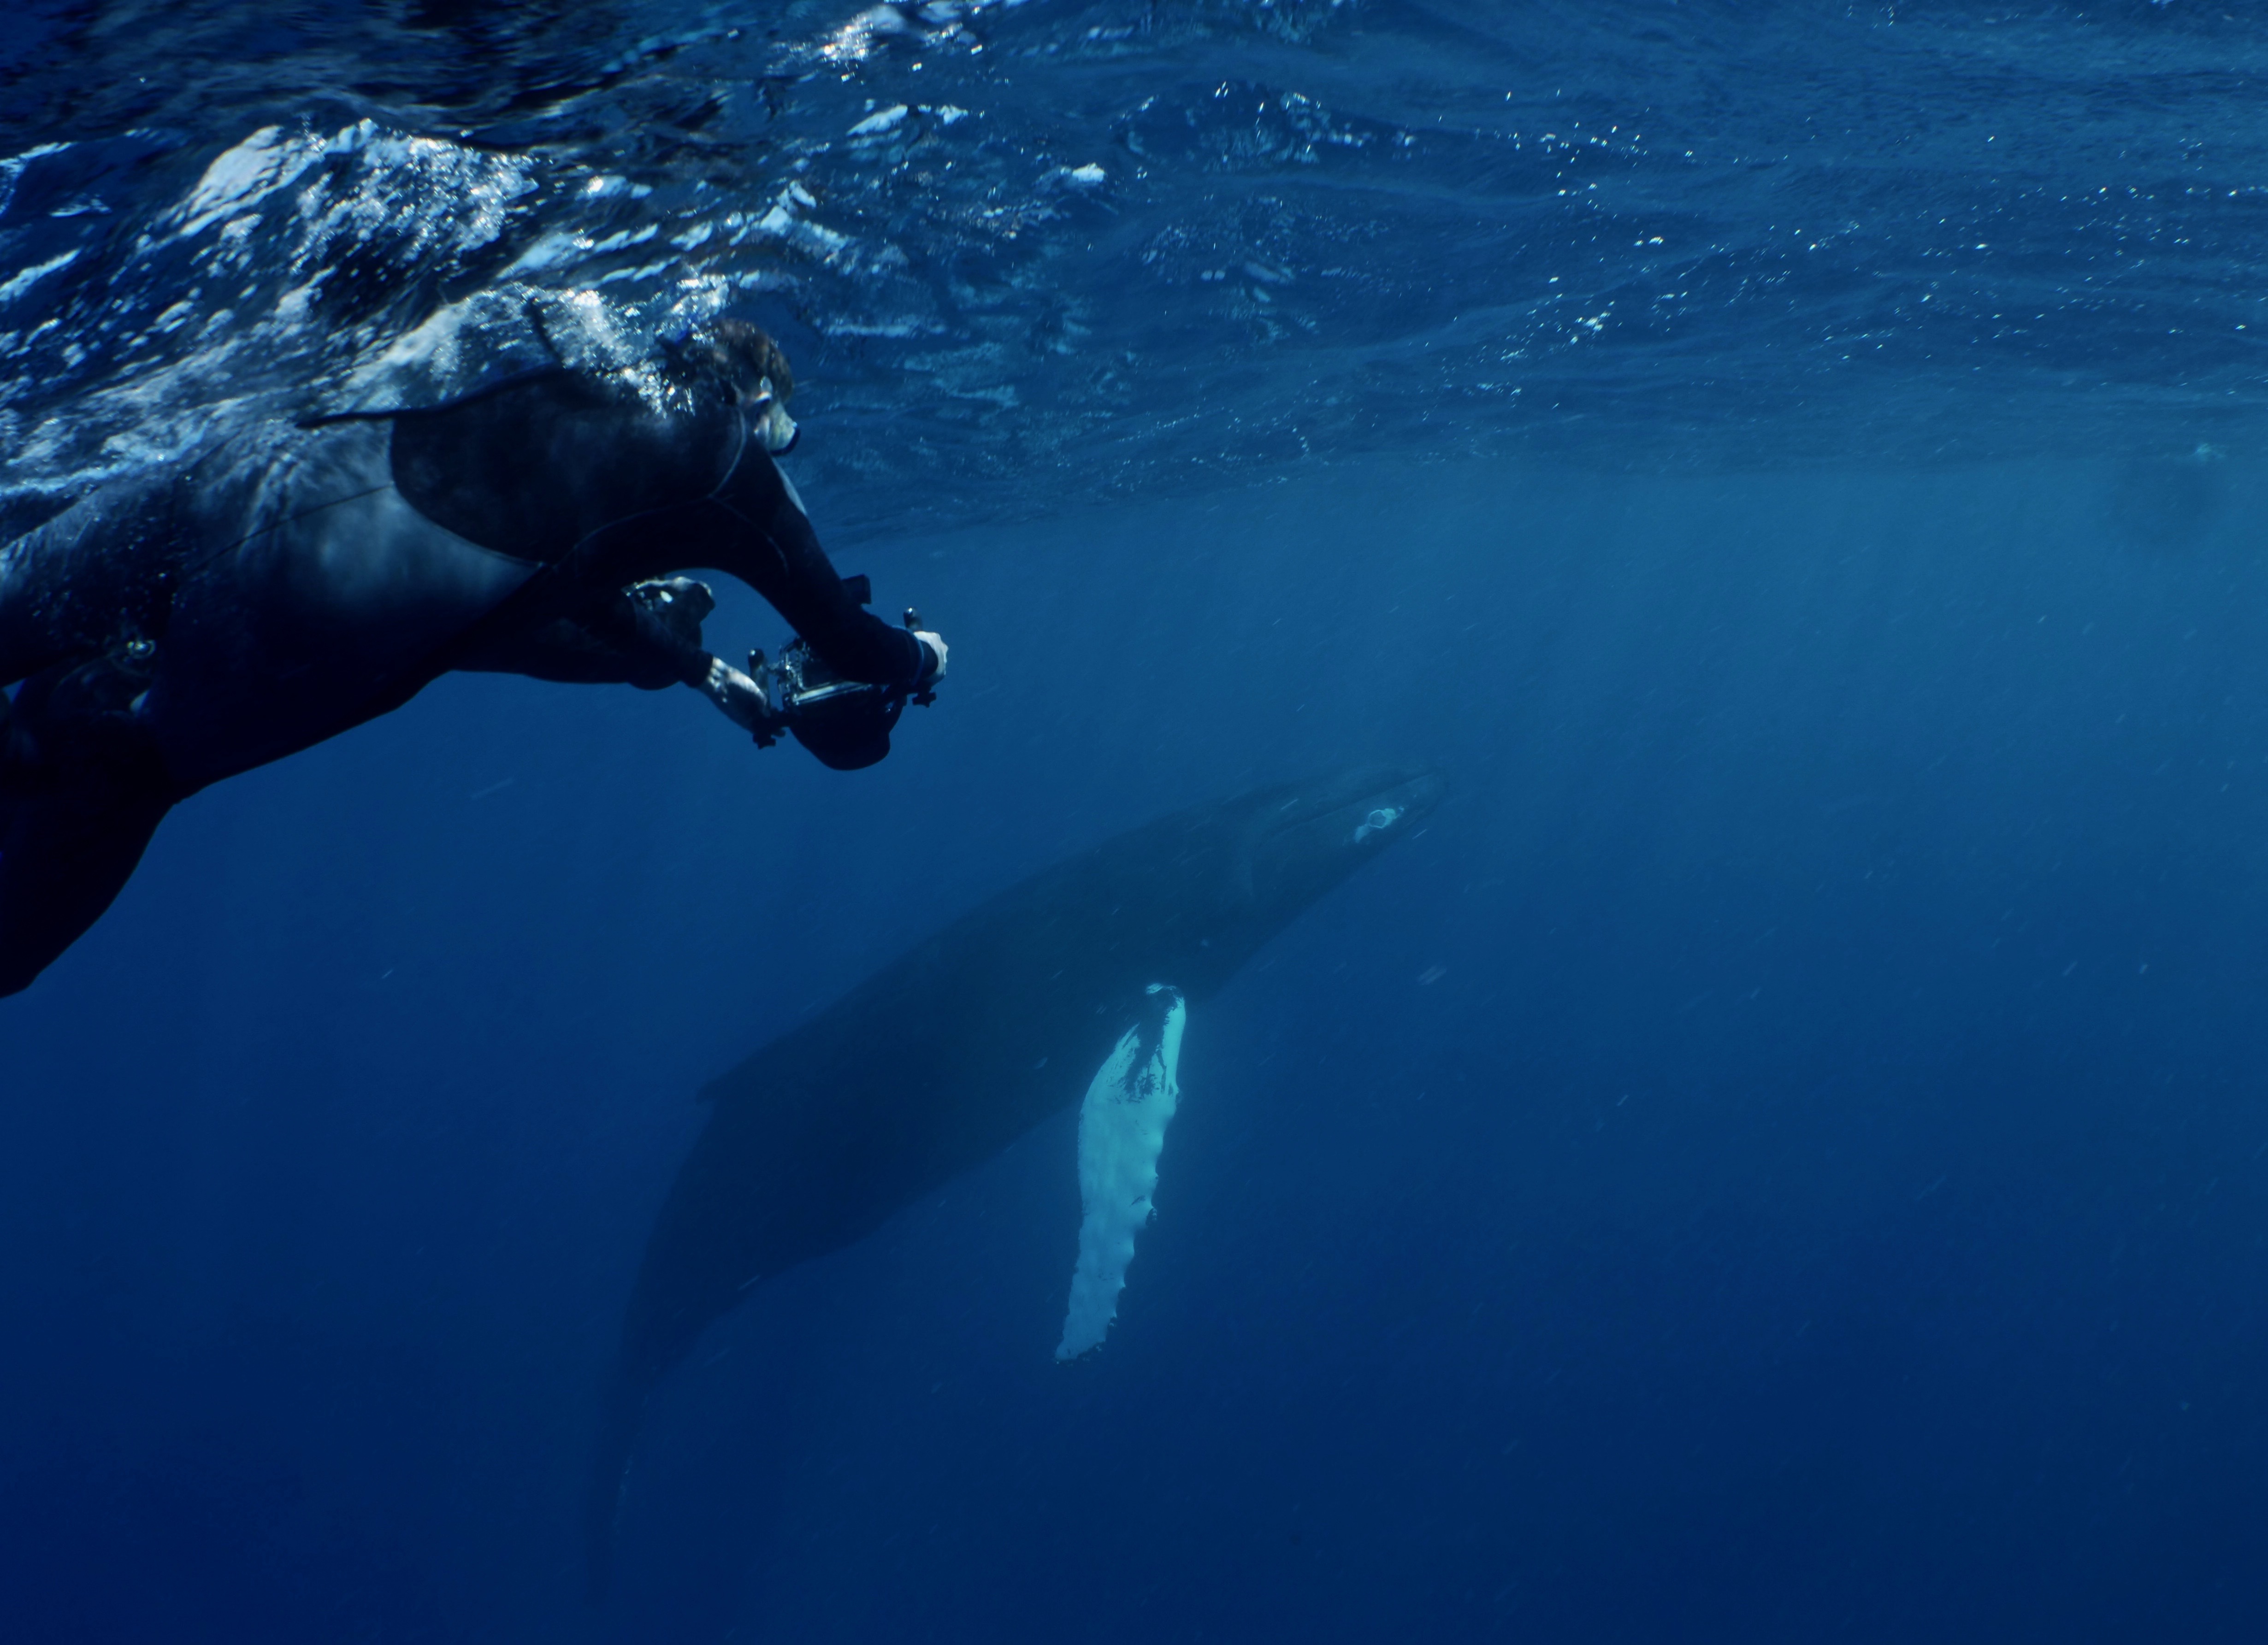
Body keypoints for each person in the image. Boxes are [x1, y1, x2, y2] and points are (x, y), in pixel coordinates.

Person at [0, 318, 947, 996]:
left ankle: (57, 711)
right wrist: (923, 658)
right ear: (761, 396)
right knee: (106, 792)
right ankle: (56, 726)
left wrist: (695, 669)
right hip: (321, 596)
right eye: (787, 429)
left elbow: (565, 583)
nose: (782, 453)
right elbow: (845, 637)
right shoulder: (734, 462)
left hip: (246, 473)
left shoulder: (573, 353)